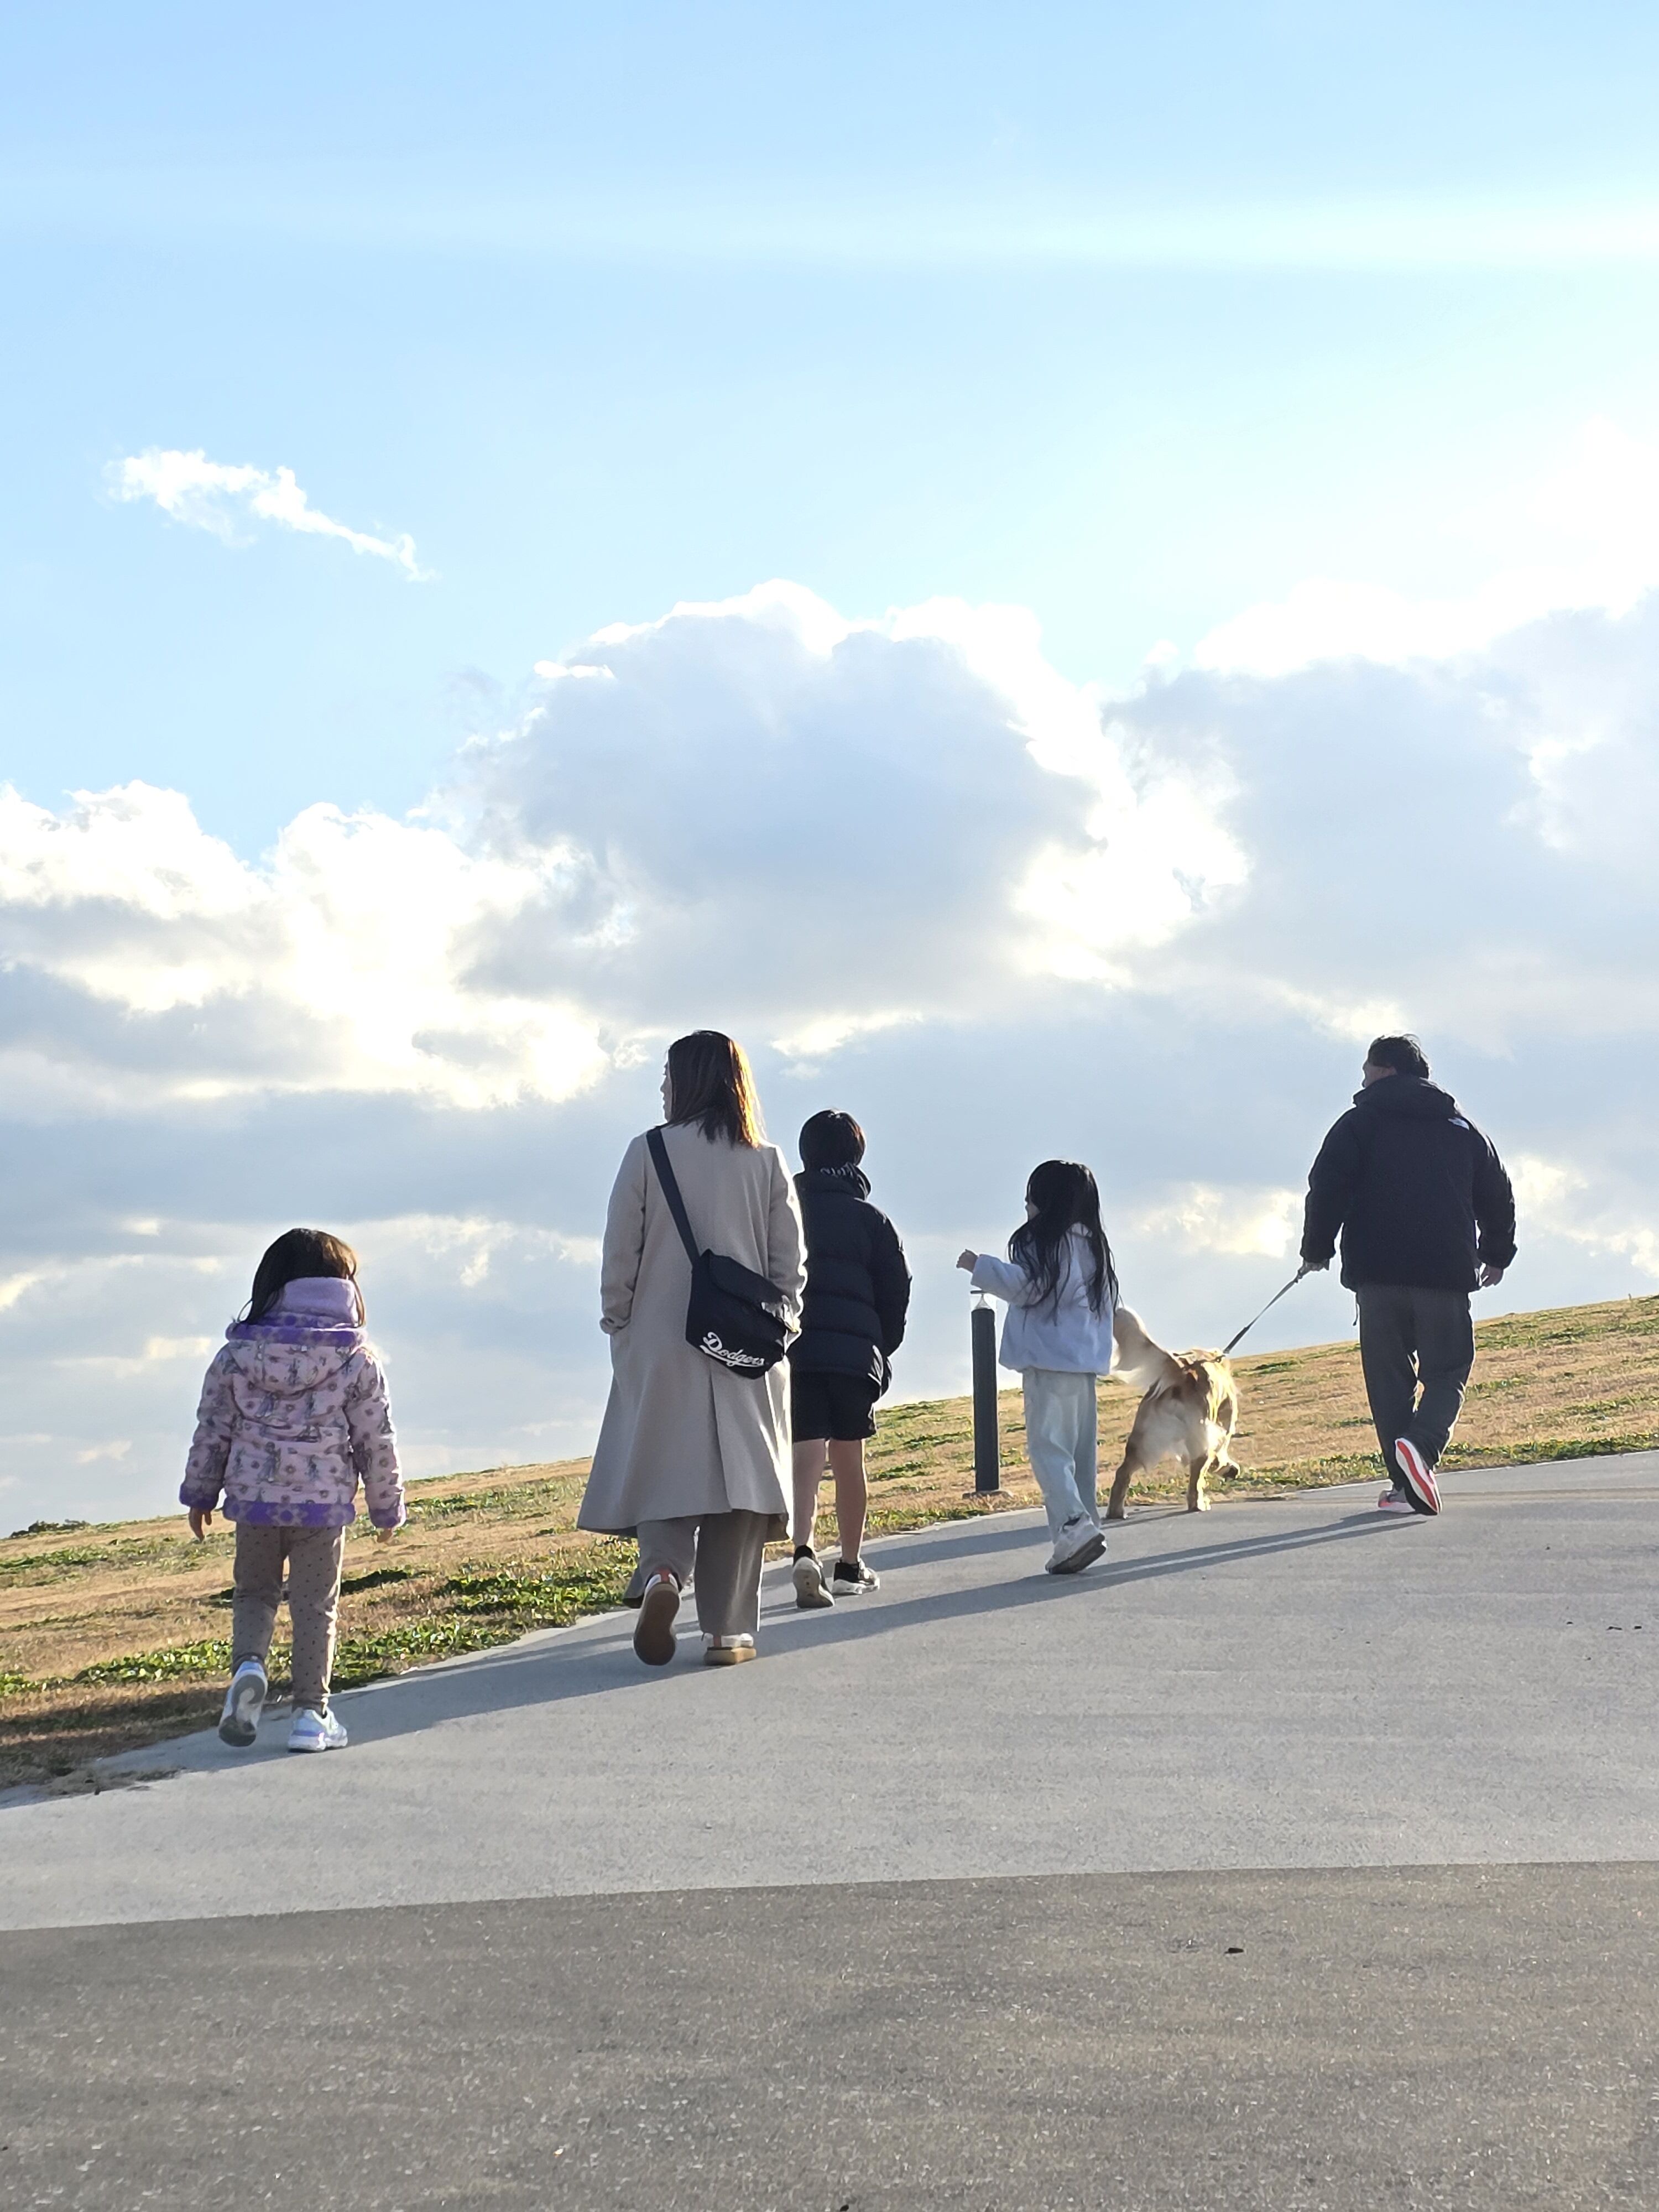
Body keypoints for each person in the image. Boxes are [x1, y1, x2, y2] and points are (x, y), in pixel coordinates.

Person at [579, 1030, 805, 1667]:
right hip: (746, 1342)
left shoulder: (648, 1151)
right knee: (740, 1486)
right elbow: (790, 1265)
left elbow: (620, 1252)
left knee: (664, 1469)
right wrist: (783, 1324)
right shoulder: (766, 1160)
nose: (661, 1086)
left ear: (688, 1080)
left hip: (660, 1338)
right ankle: (728, 1632)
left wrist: (619, 1323)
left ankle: (662, 1575)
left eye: (667, 1074)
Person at [180, 1228, 404, 1753]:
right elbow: (375, 1437)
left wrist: (200, 1494)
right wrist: (386, 1507)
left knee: (254, 1594)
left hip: (255, 1505)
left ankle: (248, 1669)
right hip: (322, 1508)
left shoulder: (236, 1356)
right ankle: (310, 1714)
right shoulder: (356, 1359)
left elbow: (213, 1428)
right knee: (314, 1606)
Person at [1301, 1034, 1516, 1517]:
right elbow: (1498, 1194)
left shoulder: (1358, 1123)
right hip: (1445, 1274)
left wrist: (1317, 1249)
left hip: (1377, 1277)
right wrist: (1497, 1254)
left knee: (1388, 1382)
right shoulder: (1462, 1129)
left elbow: (1327, 1185)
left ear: (1387, 1071)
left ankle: (1403, 1484)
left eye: (1366, 1070)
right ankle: (1420, 1450)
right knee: (1447, 1372)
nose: (1362, 1080)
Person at [956, 1160, 1119, 1575]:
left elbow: (1027, 1288)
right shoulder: (1094, 1247)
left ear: (1047, 1203)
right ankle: (1084, 1525)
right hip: (1084, 1368)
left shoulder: (1043, 1243)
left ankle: (1073, 1527)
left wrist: (979, 1266)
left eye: (1030, 1199)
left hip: (1048, 1364)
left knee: (1049, 1451)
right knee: (1080, 1455)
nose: (1026, 1206)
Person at [787, 1109, 911, 1608]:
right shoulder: (872, 1220)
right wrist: (880, 1345)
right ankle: (849, 1565)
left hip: (797, 1349)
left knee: (806, 1455)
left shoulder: (786, 1213)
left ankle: (803, 1549)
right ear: (856, 1156)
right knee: (848, 1457)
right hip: (855, 1355)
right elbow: (896, 1290)